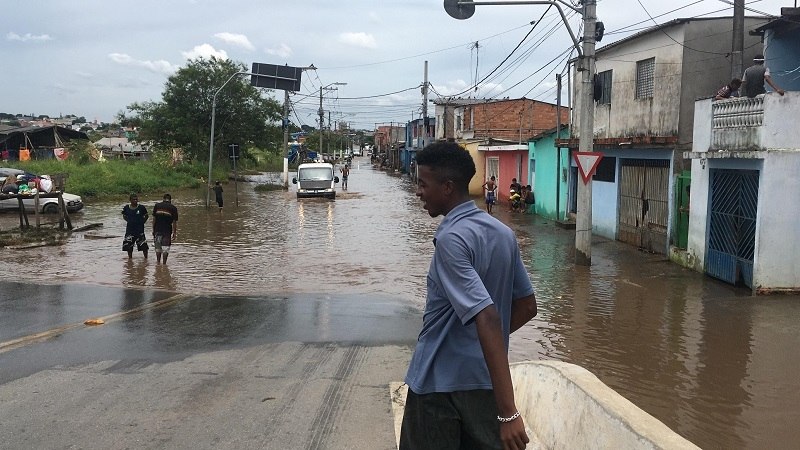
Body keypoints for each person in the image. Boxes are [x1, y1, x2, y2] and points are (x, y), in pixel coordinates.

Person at [400, 141, 538, 450]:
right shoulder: (503, 234)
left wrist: (509, 413)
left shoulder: (450, 238)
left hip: (437, 386)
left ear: (447, 187)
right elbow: (528, 306)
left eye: (423, 184)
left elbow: (486, 316)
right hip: (485, 380)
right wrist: (483, 344)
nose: (418, 192)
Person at [152, 193, 178, 265]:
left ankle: (158, 263)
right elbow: (174, 222)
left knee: (158, 248)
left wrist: (153, 230)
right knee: (166, 248)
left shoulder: (157, 206)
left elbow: (154, 219)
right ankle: (164, 264)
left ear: (163, 199)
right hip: (167, 231)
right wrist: (174, 233)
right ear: (170, 200)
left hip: (157, 229)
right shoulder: (173, 208)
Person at [121, 193, 149, 259]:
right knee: (129, 246)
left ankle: (146, 259)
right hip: (130, 230)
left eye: (136, 199)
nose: (135, 201)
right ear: (130, 200)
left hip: (139, 230)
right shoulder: (126, 208)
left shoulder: (141, 207)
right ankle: (130, 259)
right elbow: (124, 216)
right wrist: (129, 221)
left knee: (143, 246)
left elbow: (146, 216)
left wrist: (142, 222)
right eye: (134, 199)